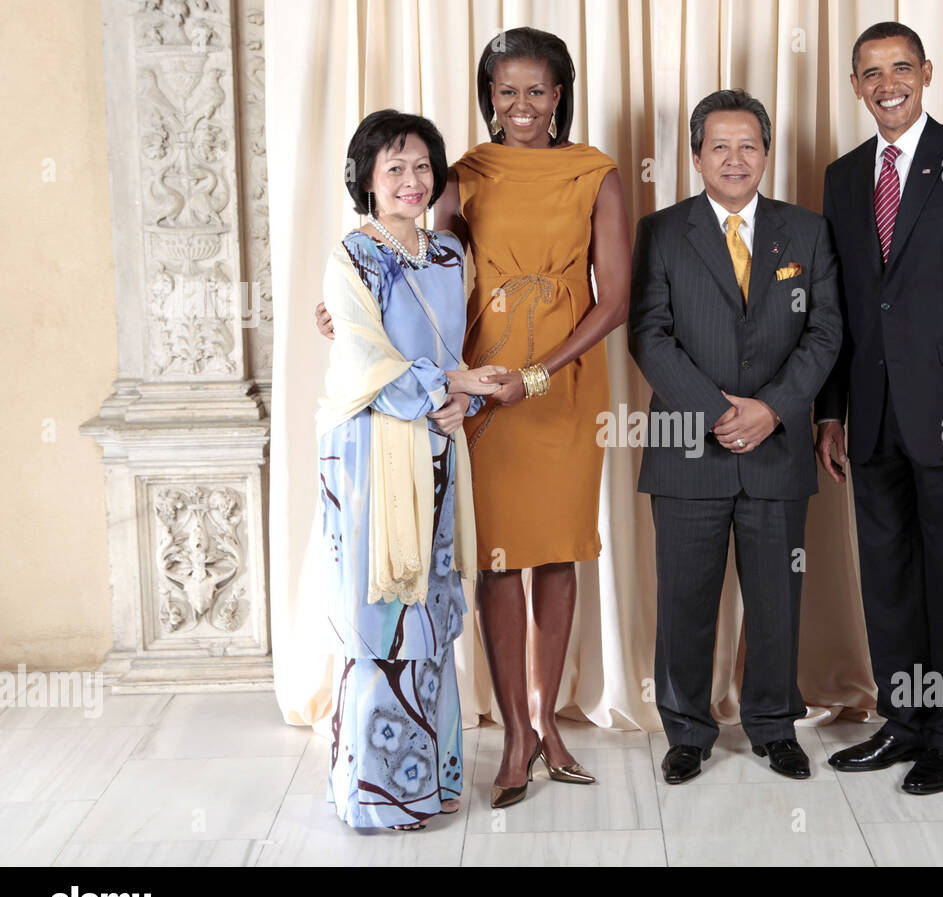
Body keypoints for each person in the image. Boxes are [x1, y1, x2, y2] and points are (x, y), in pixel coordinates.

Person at [317, 27, 631, 809]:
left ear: (560, 95)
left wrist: (539, 373)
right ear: (489, 97)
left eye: (538, 90)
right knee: (496, 556)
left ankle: (550, 722)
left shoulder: (598, 173)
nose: (521, 105)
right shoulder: (464, 172)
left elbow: (616, 298)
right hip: (478, 391)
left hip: (559, 388)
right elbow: (425, 270)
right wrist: (348, 318)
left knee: (558, 553)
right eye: (506, 91)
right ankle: (518, 735)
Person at [815, 22, 943, 794]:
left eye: (900, 67)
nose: (887, 83)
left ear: (927, 73)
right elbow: (835, 310)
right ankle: (904, 721)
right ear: (856, 86)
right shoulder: (841, 178)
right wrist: (830, 413)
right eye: (871, 72)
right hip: (869, 418)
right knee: (890, 579)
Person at [629, 90, 842, 784]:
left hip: (777, 450)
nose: (734, 158)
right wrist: (719, 412)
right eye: (719, 146)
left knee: (778, 600)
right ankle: (687, 732)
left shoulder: (806, 233)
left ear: (766, 153)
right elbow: (648, 335)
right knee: (685, 601)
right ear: (695, 157)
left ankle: (774, 727)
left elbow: (826, 331)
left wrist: (773, 409)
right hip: (690, 450)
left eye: (748, 145)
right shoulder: (662, 231)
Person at [317, 109, 504, 829]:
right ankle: (378, 793)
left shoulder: (452, 255)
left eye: (422, 166)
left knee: (429, 608)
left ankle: (435, 777)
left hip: (433, 446)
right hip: (368, 450)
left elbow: (454, 351)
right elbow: (364, 360)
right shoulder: (352, 256)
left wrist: (458, 399)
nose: (409, 180)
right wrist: (451, 390)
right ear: (366, 178)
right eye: (393, 167)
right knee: (381, 612)